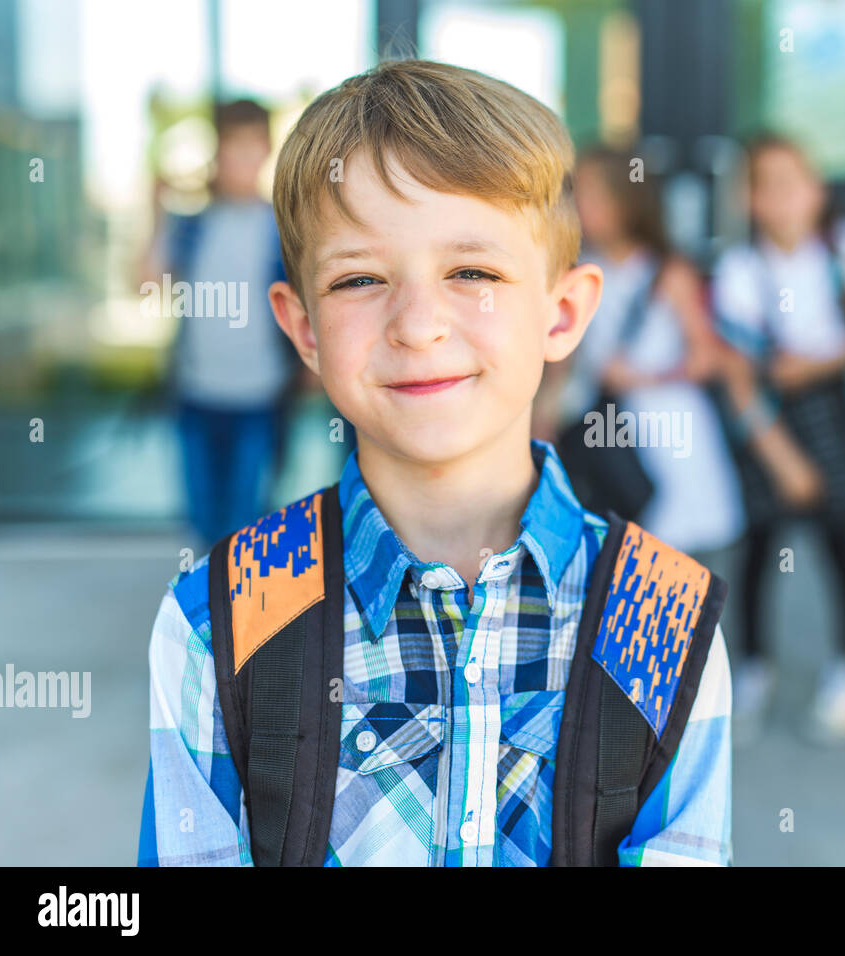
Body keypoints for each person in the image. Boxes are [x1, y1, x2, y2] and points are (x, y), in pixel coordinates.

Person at [137, 60, 732, 867]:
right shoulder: (221, 619)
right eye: (358, 278)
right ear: (304, 329)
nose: (418, 325)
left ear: (562, 314)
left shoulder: (659, 614)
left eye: (473, 272)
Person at [712, 132, 845, 744]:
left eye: (796, 181)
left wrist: (814, 366)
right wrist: (780, 455)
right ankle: (754, 666)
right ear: (751, 200)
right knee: (760, 546)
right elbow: (737, 377)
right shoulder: (738, 269)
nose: (784, 197)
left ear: (818, 191)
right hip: (768, 416)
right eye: (768, 184)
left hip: (828, 406)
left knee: (842, 541)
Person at [540, 144, 744, 555]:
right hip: (605, 429)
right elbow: (566, 361)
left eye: (593, 196)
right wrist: (542, 421)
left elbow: (708, 358)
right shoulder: (578, 271)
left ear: (627, 200)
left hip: (667, 430)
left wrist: (641, 377)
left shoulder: (669, 271)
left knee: (673, 548)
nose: (580, 207)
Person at [141, 99, 303, 548]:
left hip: (260, 395)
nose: (241, 161)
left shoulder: (282, 227)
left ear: (266, 150)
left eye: (252, 148)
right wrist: (154, 212)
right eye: (232, 148)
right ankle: (210, 613)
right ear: (217, 153)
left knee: (246, 522)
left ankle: (237, 614)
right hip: (195, 393)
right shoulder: (192, 226)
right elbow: (146, 283)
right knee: (202, 521)